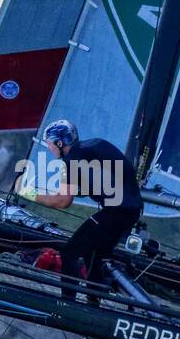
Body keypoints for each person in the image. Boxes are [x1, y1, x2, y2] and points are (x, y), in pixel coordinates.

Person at [25, 118, 141, 299]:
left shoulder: (73, 160)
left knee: (70, 253)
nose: (49, 148)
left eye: (50, 144)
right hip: (131, 210)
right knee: (94, 255)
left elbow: (62, 202)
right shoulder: (93, 146)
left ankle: (68, 304)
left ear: (60, 142)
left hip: (116, 212)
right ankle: (94, 303)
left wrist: (29, 194)